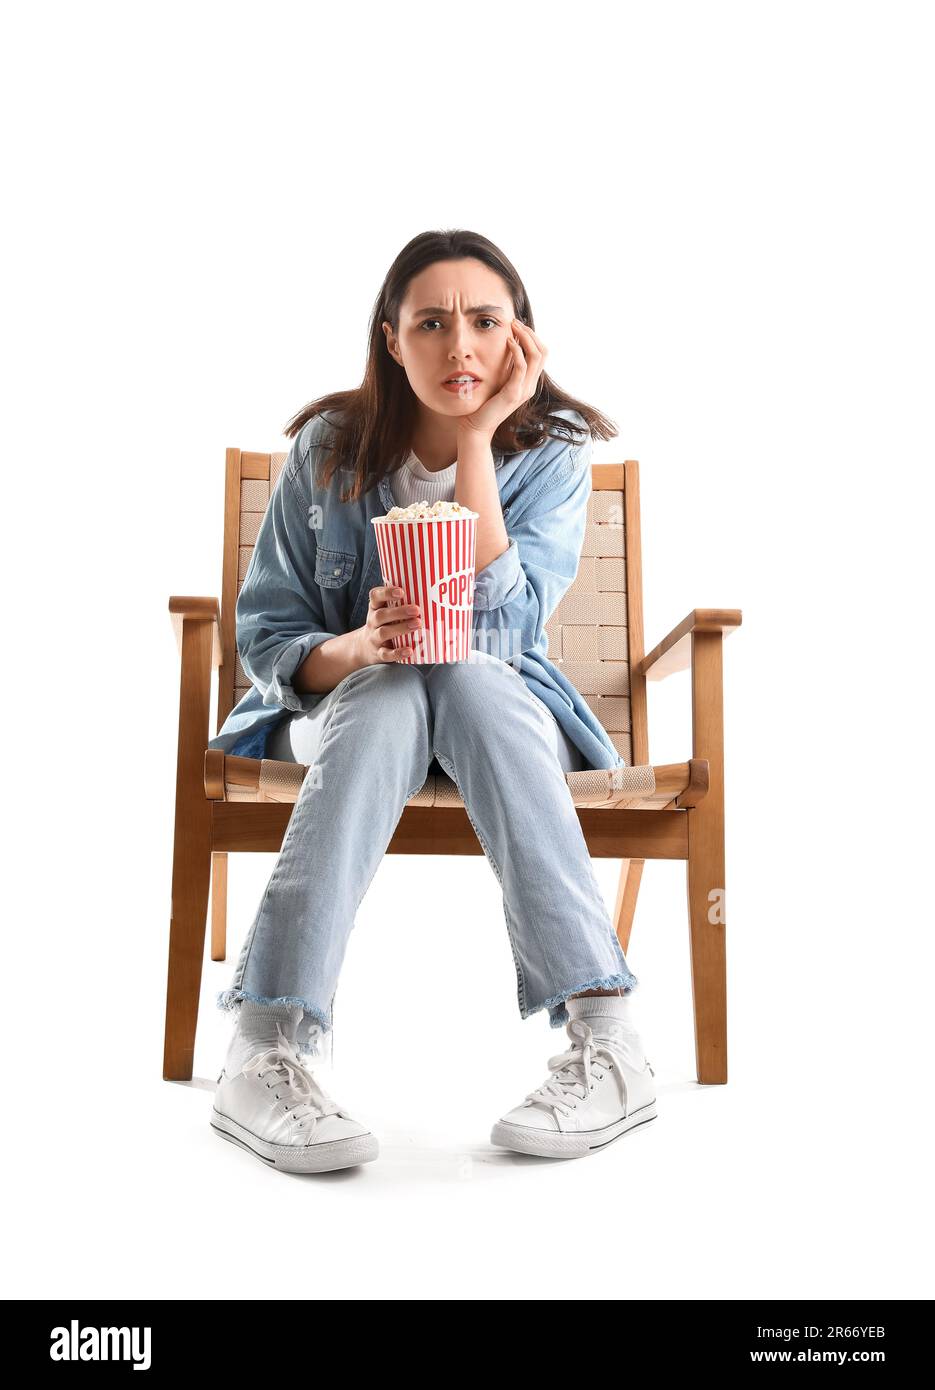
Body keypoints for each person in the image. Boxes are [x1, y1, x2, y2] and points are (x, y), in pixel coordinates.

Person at [208, 229, 656, 1174]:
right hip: (349, 709)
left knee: (463, 673)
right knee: (383, 694)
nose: (460, 347)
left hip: (496, 711)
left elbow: (502, 633)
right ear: (390, 338)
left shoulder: (550, 454)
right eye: (432, 322)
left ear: (519, 342)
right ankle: (267, 1053)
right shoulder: (329, 448)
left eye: (485, 322)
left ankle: (607, 1046)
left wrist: (479, 440)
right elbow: (267, 636)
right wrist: (359, 646)